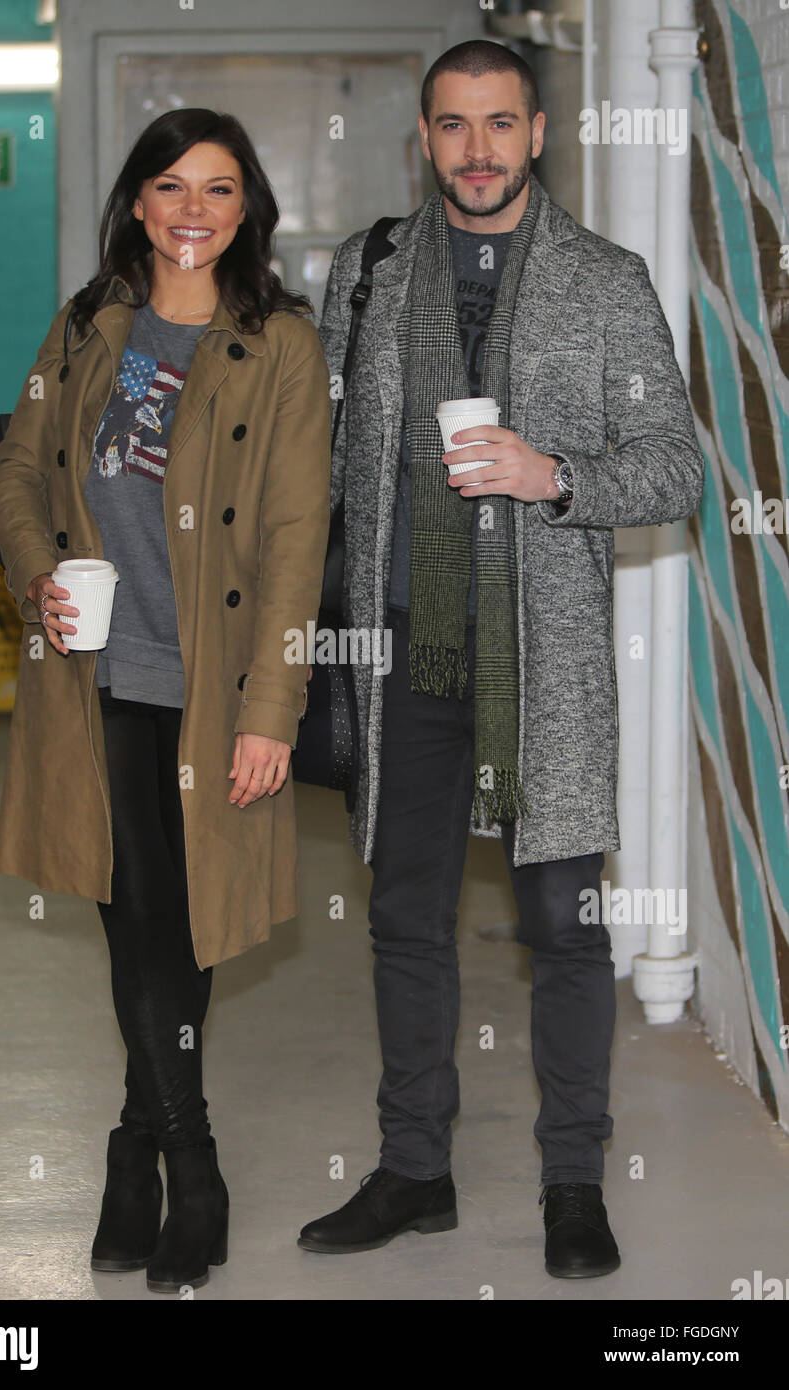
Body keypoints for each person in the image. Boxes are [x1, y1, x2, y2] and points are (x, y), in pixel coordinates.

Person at [301, 40, 704, 1278]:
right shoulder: (365, 273)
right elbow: (317, 457)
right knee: (404, 918)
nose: (474, 149)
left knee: (564, 927)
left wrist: (554, 474)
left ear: (537, 133)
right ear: (423, 138)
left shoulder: (605, 280)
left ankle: (572, 1183)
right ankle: (414, 1167)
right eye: (451, 126)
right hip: (408, 650)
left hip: (544, 660)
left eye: (498, 124)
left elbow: (675, 468)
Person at [0, 108, 331, 1293]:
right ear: (136, 201)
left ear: (247, 211)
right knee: (130, 909)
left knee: (172, 924)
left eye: (219, 190)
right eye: (171, 187)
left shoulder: (280, 342)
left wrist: (270, 708)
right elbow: (16, 464)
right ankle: (174, 1153)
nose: (193, 210)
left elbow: (295, 537)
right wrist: (36, 574)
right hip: (96, 670)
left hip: (211, 679)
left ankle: (158, 1152)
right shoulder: (90, 325)